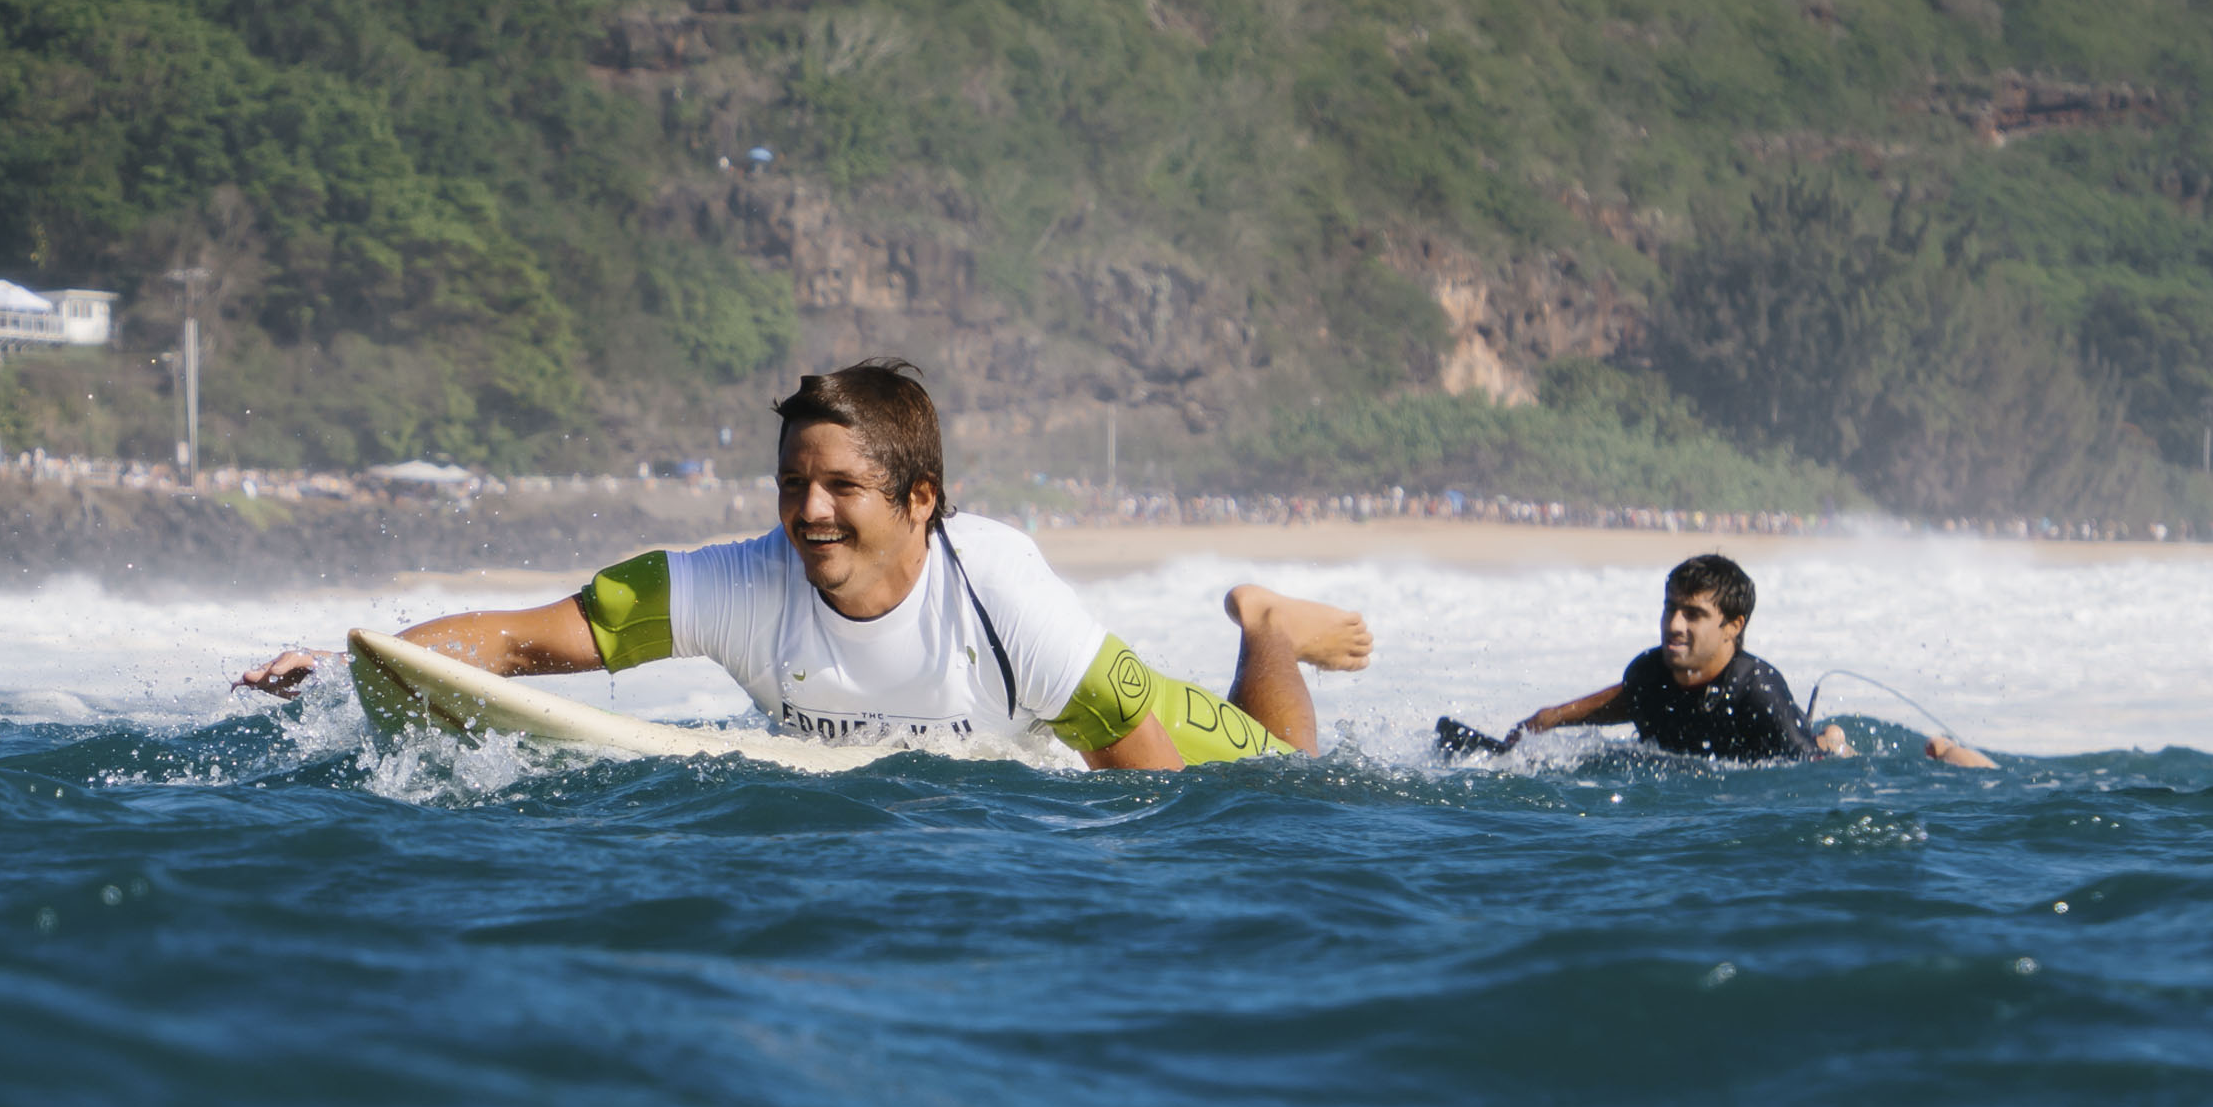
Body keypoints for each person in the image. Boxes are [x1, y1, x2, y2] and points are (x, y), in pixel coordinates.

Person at [241, 360, 1374, 768]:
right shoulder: (738, 583)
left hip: (1151, 730)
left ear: (918, 499)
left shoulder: (1000, 589)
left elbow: (1156, 778)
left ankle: (1265, 620)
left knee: (1284, 761)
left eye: (839, 486)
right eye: (792, 483)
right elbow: (529, 639)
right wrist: (365, 658)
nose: (809, 511)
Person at [1466, 553, 1995, 768]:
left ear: (1732, 627)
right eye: (1672, 608)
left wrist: (1830, 756)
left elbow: (1812, 780)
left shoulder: (1755, 688)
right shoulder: (1649, 672)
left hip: (1801, 758)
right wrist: (1541, 724)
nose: (1675, 625)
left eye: (1693, 614)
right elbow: (1617, 703)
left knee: (1830, 752)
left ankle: (1936, 752)